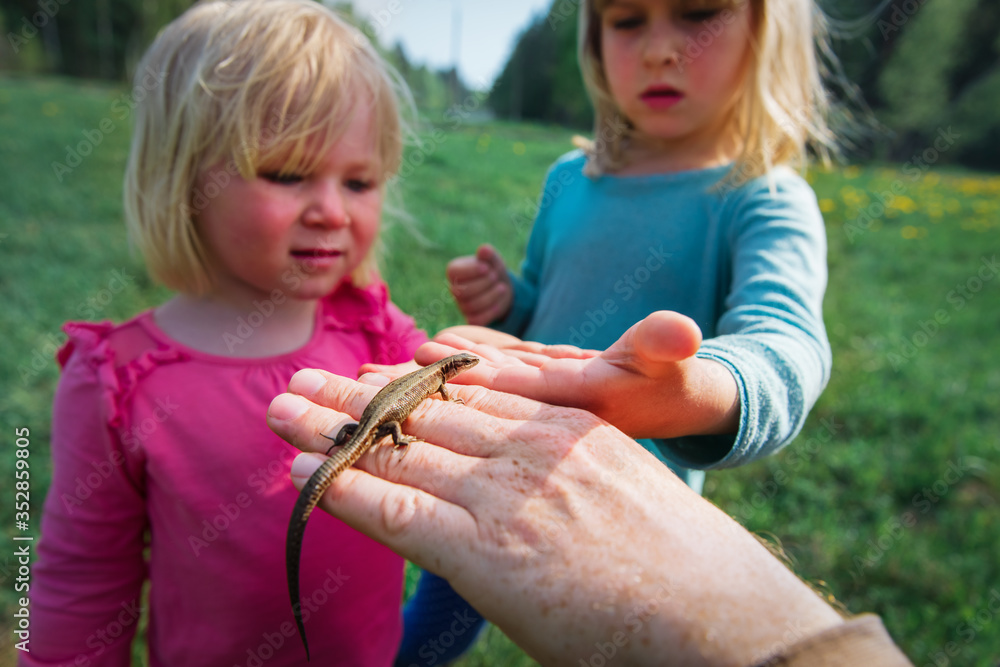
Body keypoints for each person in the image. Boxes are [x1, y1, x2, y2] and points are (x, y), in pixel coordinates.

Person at [24, 2, 481, 665]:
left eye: (358, 181)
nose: (330, 210)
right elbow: (80, 580)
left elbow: (445, 377)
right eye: (288, 174)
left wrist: (500, 353)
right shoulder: (114, 379)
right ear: (184, 182)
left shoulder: (375, 325)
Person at [266, 365, 914, 667]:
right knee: (377, 444)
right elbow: (411, 407)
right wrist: (396, 436)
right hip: (378, 425)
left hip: (369, 423)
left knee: (357, 448)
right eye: (458, 370)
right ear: (451, 374)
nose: (457, 374)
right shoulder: (432, 385)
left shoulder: (434, 382)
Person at [445, 0, 838, 494]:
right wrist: (507, 305)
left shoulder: (763, 199)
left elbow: (787, 348)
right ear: (594, 41)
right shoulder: (570, 177)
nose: (660, 51)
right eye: (627, 21)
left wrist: (684, 394)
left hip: (621, 506)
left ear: (765, 31)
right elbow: (545, 304)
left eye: (699, 14)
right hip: (490, 459)